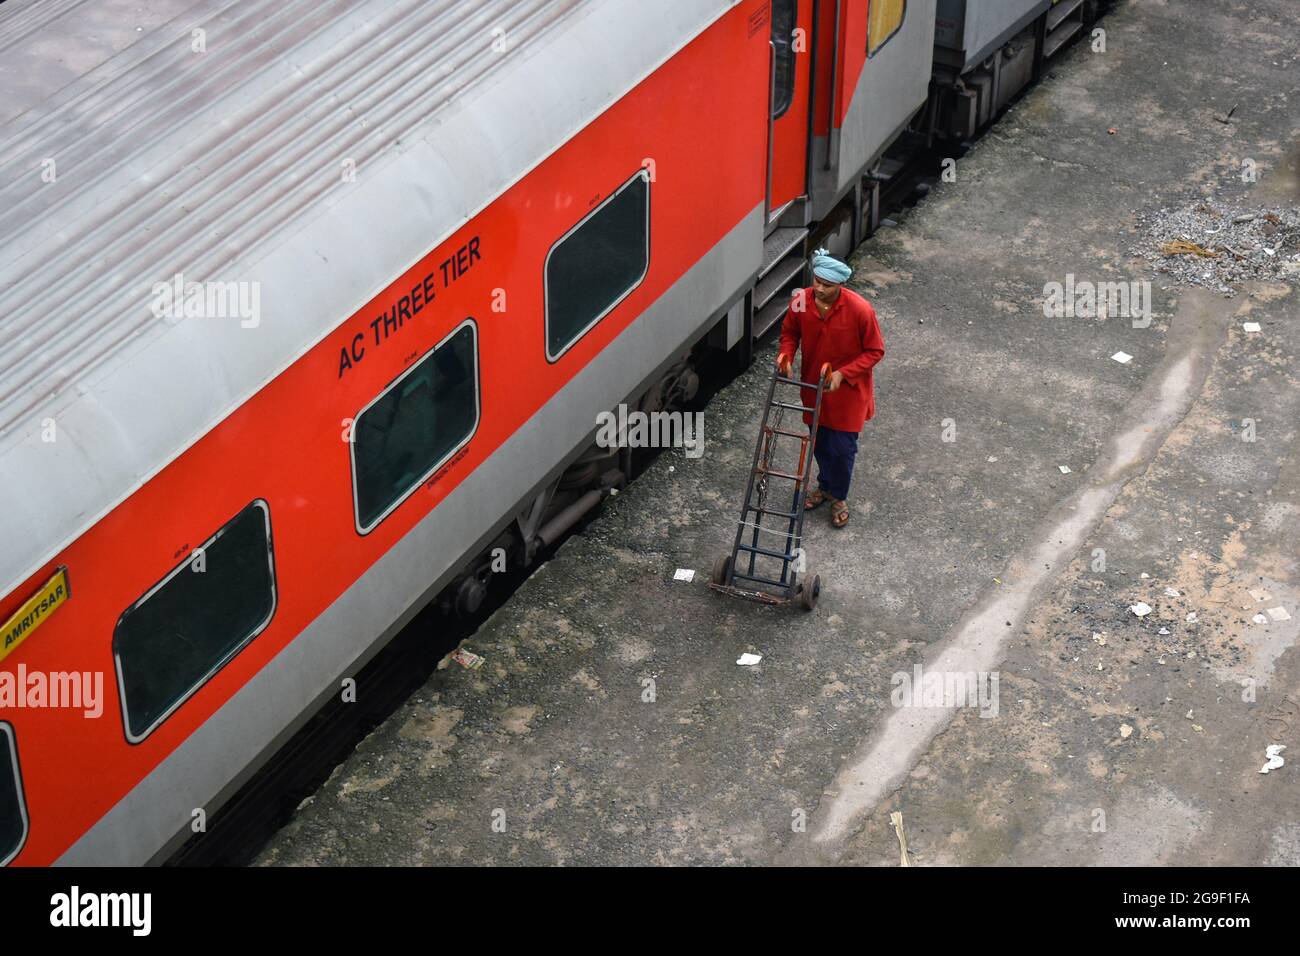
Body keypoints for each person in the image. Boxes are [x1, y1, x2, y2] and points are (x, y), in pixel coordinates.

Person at [776, 249, 885, 528]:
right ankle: (825, 487)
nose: (820, 289)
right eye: (817, 281)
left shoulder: (861, 310)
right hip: (814, 389)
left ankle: (838, 497)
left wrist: (843, 374)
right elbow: (790, 333)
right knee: (820, 444)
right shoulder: (800, 301)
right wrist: (786, 356)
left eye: (827, 285)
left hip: (848, 395)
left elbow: (875, 351)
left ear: (841, 285)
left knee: (843, 449)